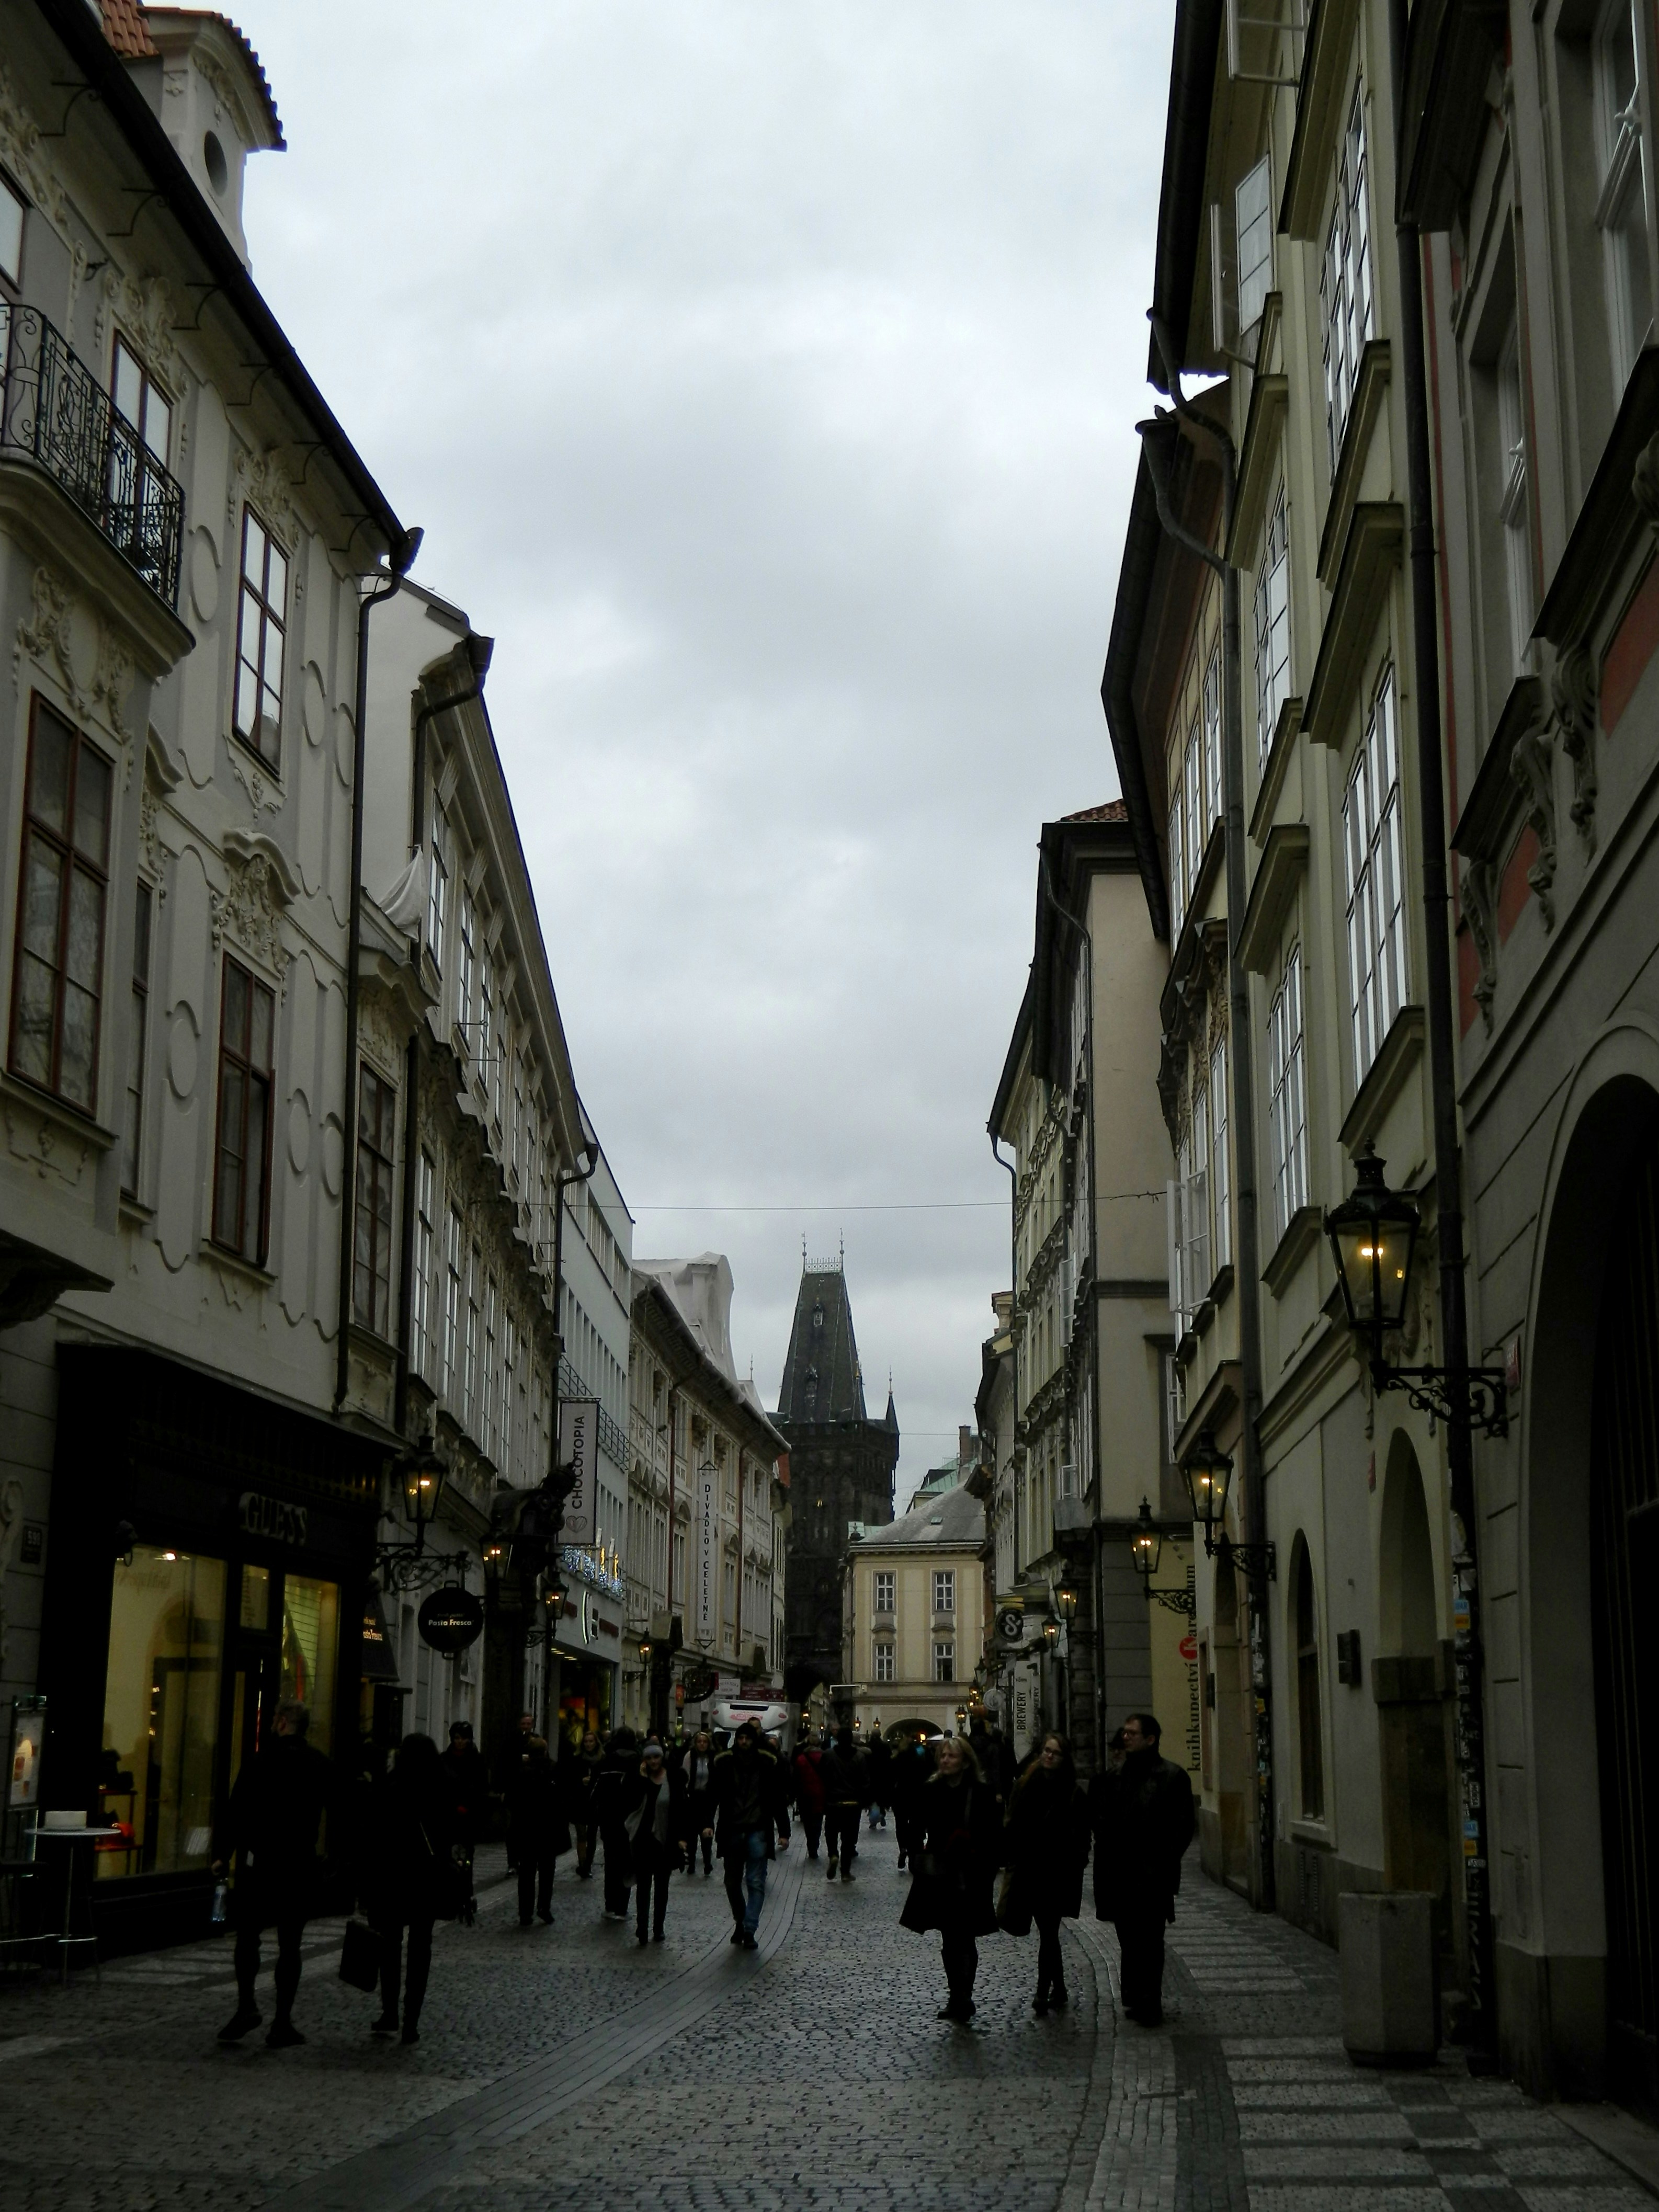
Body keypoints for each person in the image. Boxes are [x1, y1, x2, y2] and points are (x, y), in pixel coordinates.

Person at [212, 1698, 335, 2048]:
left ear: (282, 1723)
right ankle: (282, 2020)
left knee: (249, 1936)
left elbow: (236, 1811)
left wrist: (223, 1855)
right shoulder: (319, 1764)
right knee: (290, 1944)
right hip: (299, 1862)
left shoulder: (259, 1762)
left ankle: (247, 2004)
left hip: (260, 1863)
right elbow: (342, 1807)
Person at [1088, 1711, 1195, 2027]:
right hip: (1120, 1873)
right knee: (1129, 1938)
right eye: (1125, 1732)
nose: (1126, 1737)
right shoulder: (1114, 1778)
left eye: (1133, 1733)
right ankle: (1134, 1995)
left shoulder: (1172, 1777)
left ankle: (1150, 2000)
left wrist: (1165, 1860)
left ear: (1150, 1739)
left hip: (1153, 1873)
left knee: (1150, 1938)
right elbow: (1100, 1820)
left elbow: (1183, 1827)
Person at [900, 1734, 1001, 2023]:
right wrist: (915, 1853)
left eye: (952, 1756)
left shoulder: (981, 1792)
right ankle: (956, 1993)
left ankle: (963, 1995)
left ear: (965, 1762)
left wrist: (986, 1864)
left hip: (971, 1872)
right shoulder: (931, 1790)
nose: (945, 1760)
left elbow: (994, 1834)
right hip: (940, 1872)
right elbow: (916, 1824)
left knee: (965, 1935)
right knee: (948, 1935)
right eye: (942, 1756)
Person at [361, 1732, 455, 2045]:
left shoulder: (392, 1788)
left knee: (390, 1945)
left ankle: (389, 2012)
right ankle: (411, 2020)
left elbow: (374, 1836)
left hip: (393, 1877)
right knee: (420, 1948)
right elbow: (449, 1834)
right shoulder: (443, 1786)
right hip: (427, 1877)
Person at [1002, 1732, 1091, 2014]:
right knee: (1048, 1932)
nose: (1048, 1756)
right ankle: (1059, 1988)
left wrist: (1078, 1861)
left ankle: (1044, 1990)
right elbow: (1012, 1824)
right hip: (1031, 1868)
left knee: (1049, 1932)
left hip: (1059, 1870)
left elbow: (1081, 1835)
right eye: (1046, 1751)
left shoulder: (1074, 1792)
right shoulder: (1025, 1785)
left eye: (1055, 1752)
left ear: (1064, 1759)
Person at [709, 1718, 789, 1948]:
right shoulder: (724, 1763)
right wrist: (708, 1822)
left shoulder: (767, 1764)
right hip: (732, 1829)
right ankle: (741, 1920)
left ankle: (749, 1928)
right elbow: (713, 1795)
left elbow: (776, 1799)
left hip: (758, 1829)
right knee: (732, 1882)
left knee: (755, 1882)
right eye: (741, 1738)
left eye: (747, 1739)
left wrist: (784, 1831)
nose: (744, 1742)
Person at [621, 1737, 690, 1942]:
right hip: (643, 1839)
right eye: (649, 1758)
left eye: (657, 1757)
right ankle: (642, 1926)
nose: (653, 1762)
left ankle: (658, 1927)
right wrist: (642, 1779)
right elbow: (630, 1803)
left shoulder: (674, 1778)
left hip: (666, 1840)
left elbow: (682, 1810)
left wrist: (683, 1837)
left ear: (662, 1757)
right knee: (643, 1885)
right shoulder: (637, 1778)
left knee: (662, 1886)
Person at [506, 1735, 569, 1925]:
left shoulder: (521, 1773)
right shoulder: (554, 1770)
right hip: (548, 1828)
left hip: (526, 1829)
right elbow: (562, 1798)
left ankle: (525, 1912)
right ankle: (544, 1907)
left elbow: (512, 1801)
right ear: (545, 1751)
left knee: (526, 1873)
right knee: (547, 1871)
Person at [439, 1720, 487, 1925]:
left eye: (463, 1739)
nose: (460, 1742)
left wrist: (468, 1806)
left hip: (468, 1817)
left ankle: (465, 1895)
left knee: (466, 1858)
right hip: (448, 1817)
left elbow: (481, 1787)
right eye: (457, 1739)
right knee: (448, 1856)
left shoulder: (476, 1760)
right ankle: (451, 1895)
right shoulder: (443, 1760)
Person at [592, 1727, 639, 1922]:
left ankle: (610, 1904)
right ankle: (622, 1906)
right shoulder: (637, 1760)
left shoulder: (607, 1760)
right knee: (627, 1862)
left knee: (611, 1862)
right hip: (630, 1818)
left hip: (610, 1818)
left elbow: (596, 1789)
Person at [820, 1724, 869, 1881]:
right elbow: (865, 1781)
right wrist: (864, 1800)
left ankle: (833, 1854)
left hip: (833, 1802)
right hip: (853, 1804)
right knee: (849, 1839)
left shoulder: (828, 1755)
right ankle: (846, 1872)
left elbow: (822, 1776)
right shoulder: (860, 1757)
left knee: (831, 1832)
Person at [890, 1732, 934, 1871]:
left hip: (901, 1795)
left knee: (901, 1824)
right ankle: (915, 1854)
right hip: (917, 1796)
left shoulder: (896, 1759)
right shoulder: (921, 1760)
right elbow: (928, 1778)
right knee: (917, 1825)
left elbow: (891, 1779)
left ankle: (903, 1847)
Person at [569, 1728, 605, 1878]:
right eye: (586, 1742)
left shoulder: (602, 1760)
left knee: (591, 1835)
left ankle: (588, 1864)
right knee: (581, 1834)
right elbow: (569, 1779)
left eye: (591, 1741)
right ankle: (582, 1863)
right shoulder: (577, 1759)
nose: (589, 1744)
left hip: (595, 1802)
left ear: (596, 1743)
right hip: (579, 1800)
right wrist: (580, 1781)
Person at [680, 1729, 718, 1873]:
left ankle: (708, 1862)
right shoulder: (690, 1756)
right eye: (699, 1742)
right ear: (695, 1744)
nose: (702, 1744)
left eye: (705, 1742)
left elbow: (716, 1777)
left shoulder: (713, 1758)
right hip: (692, 1798)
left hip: (707, 1799)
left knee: (707, 1830)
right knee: (692, 1832)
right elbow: (685, 1775)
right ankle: (691, 1863)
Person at [791, 1736, 827, 1862]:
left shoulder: (801, 1759)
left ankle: (811, 1845)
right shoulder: (825, 1757)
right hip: (821, 1794)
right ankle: (815, 1845)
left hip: (804, 1795)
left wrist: (793, 1795)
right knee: (817, 1820)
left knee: (807, 1821)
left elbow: (795, 1778)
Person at [865, 1728, 891, 1831]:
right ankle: (882, 1814)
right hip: (882, 1777)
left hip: (870, 1776)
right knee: (881, 1799)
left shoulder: (868, 1746)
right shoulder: (885, 1746)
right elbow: (889, 1761)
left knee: (872, 1800)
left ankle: (874, 1820)